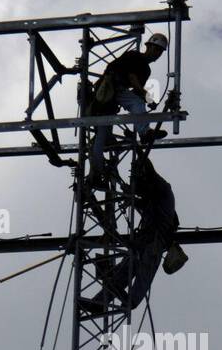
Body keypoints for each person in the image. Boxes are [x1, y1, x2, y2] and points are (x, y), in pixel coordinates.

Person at [80, 153, 187, 317]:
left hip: (154, 243)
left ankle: (132, 301)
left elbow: (149, 186)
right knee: (122, 273)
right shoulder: (153, 197)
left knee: (143, 273)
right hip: (142, 242)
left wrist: (140, 164)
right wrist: (129, 193)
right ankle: (99, 303)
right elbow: (141, 199)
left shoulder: (163, 192)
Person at [89, 33, 169, 175]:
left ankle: (98, 171)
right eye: (155, 49)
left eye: (160, 51)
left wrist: (147, 100)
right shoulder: (135, 56)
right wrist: (147, 98)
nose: (157, 53)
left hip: (114, 97)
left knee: (103, 131)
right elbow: (133, 80)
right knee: (133, 105)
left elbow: (137, 91)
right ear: (148, 46)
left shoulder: (146, 70)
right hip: (108, 88)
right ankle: (144, 132)